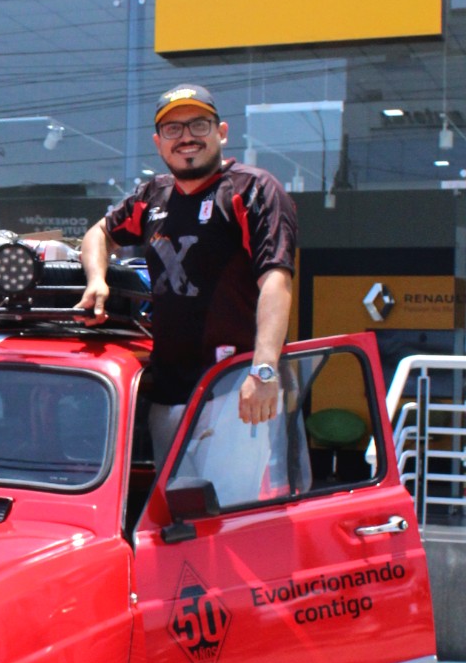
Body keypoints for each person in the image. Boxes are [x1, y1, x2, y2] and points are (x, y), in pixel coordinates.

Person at [75, 83, 298, 472]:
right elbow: (98, 233)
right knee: (176, 519)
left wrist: (263, 370)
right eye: (173, 130)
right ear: (158, 142)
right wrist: (97, 279)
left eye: (198, 124)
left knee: (229, 518)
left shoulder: (254, 189)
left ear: (221, 132)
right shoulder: (151, 197)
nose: (186, 138)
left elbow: (276, 280)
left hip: (235, 390)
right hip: (169, 393)